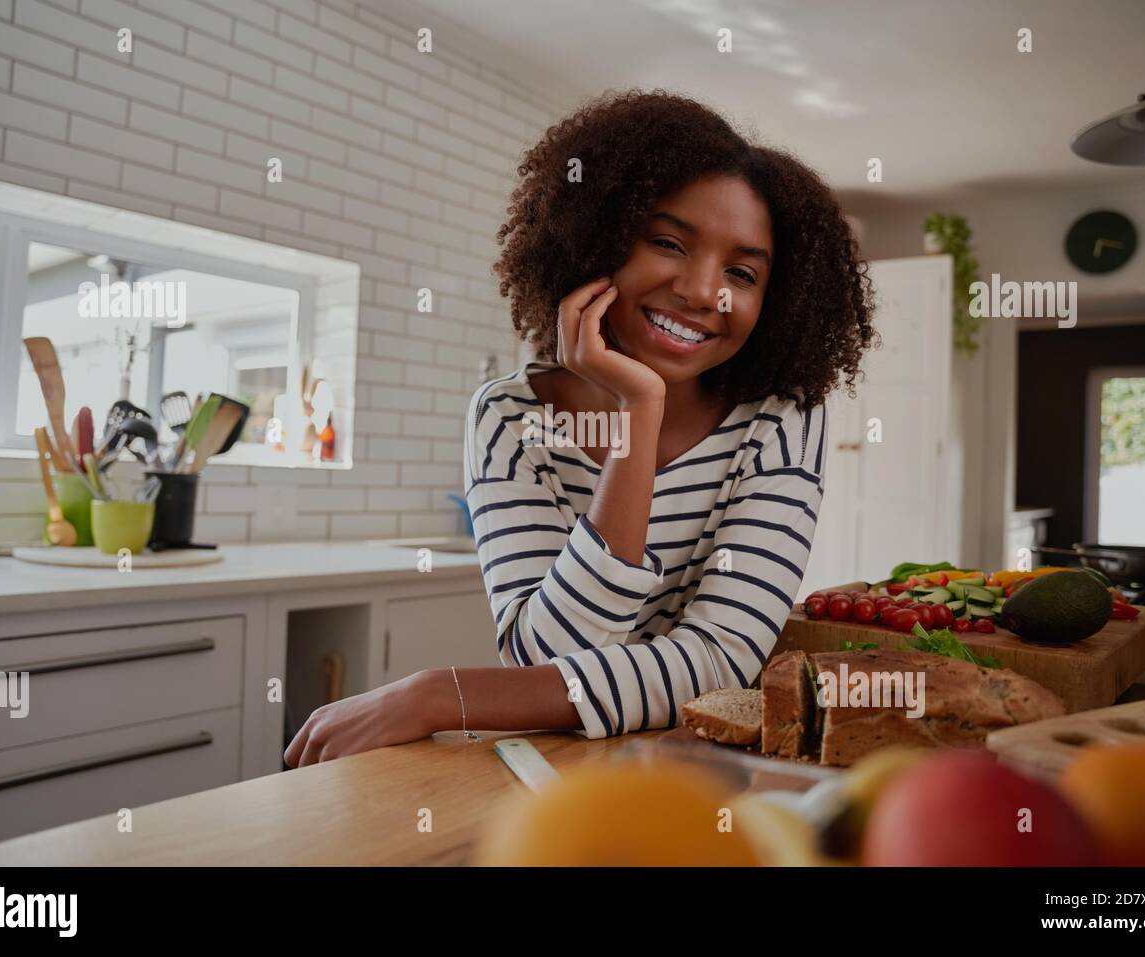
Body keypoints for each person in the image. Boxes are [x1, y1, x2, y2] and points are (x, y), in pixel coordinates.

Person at [285, 90, 875, 767]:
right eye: (667, 242)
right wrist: (640, 418)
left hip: (706, 777)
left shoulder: (782, 417)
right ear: (599, 237)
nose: (701, 290)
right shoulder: (508, 416)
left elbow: (720, 662)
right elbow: (551, 653)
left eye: (741, 272)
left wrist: (442, 694)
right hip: (549, 767)